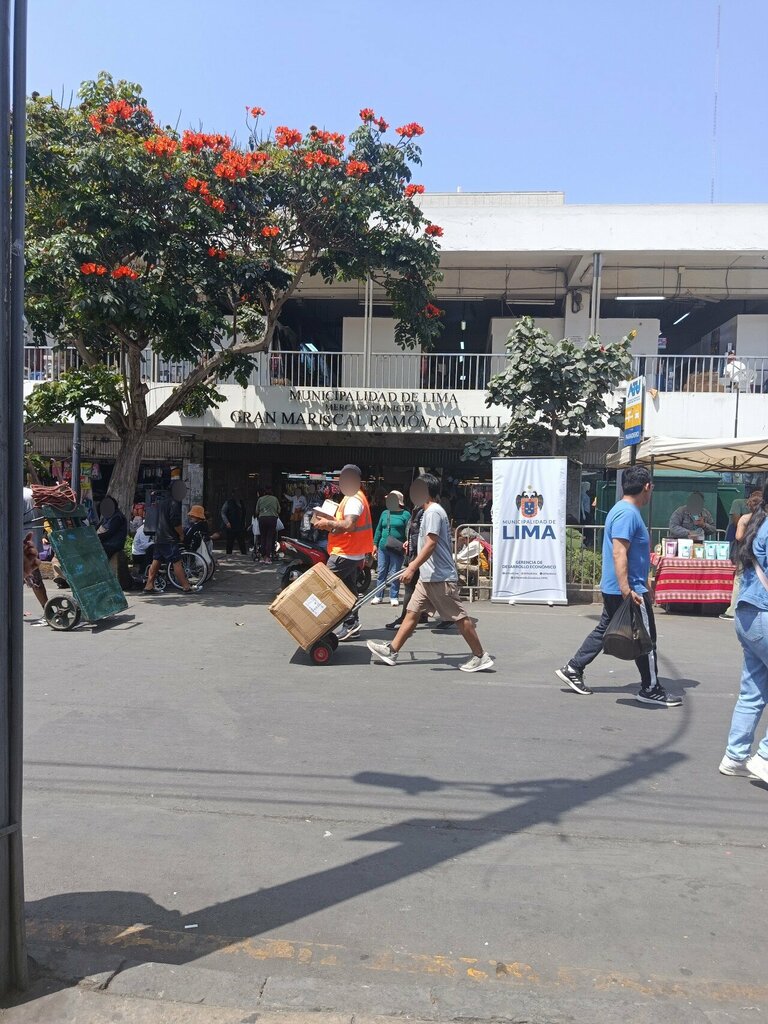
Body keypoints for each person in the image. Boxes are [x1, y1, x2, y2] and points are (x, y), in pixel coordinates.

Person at [556, 464, 682, 706]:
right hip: (627, 589)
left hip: (625, 586)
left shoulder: (623, 510)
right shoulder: (627, 513)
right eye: (651, 488)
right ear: (647, 487)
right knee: (646, 638)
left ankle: (573, 668)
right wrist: (628, 589)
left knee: (605, 629)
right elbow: (619, 553)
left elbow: (631, 554)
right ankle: (651, 688)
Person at [367, 473, 494, 673]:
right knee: (412, 613)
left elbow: (432, 543)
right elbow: (427, 541)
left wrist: (411, 567)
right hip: (428, 577)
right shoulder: (426, 512)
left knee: (459, 617)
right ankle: (392, 651)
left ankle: (480, 656)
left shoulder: (434, 511)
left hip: (439, 576)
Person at [718, 484, 768, 784]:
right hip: (764, 613)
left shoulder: (758, 522)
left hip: (748, 613)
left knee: (753, 690)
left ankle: (735, 756)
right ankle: (764, 757)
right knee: (752, 690)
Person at [313, 464, 373, 642]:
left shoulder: (354, 499)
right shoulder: (353, 497)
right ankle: (351, 624)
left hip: (345, 553)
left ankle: (313, 624)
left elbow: (349, 525)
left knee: (322, 587)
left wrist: (327, 524)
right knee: (349, 591)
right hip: (351, 552)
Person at [721, 489, 763, 620]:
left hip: (745, 553)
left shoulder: (745, 518)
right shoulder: (764, 519)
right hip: (761, 553)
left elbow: (738, 536)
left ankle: (733, 611)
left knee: (740, 580)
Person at [143, 491, 195, 594]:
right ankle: (186, 586)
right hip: (169, 538)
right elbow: (175, 521)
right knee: (177, 561)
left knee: (156, 560)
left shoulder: (162, 502)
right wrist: (181, 534)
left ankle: (148, 586)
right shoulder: (174, 503)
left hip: (159, 536)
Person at [371, 491, 410, 607]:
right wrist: (374, 544)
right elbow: (378, 530)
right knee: (381, 571)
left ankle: (394, 596)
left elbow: (409, 530)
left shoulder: (406, 514)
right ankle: (378, 595)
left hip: (397, 548)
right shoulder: (384, 513)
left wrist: (408, 542)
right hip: (383, 547)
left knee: (395, 573)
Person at [256, 487, 281, 562]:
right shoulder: (275, 499)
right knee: (269, 537)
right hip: (272, 519)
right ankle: (268, 556)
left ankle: (263, 556)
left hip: (262, 519)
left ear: (264, 492)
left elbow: (257, 511)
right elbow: (279, 510)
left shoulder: (260, 499)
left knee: (263, 537)